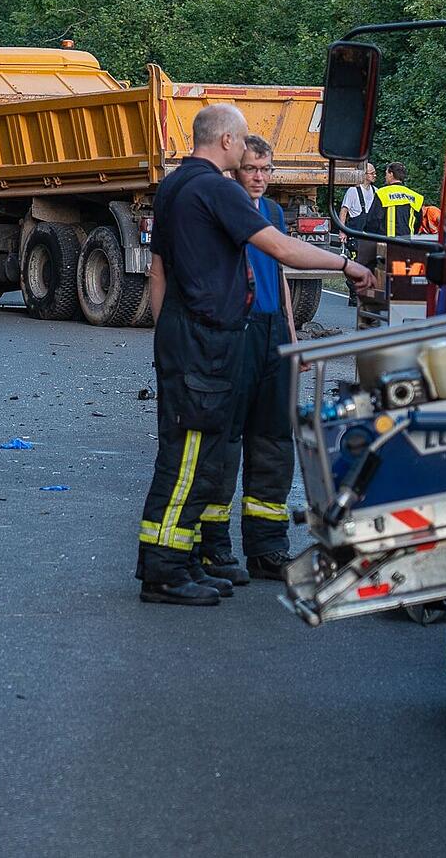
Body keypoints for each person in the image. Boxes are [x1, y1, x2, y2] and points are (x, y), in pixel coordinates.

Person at [138, 104, 378, 607]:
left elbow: (158, 274)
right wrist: (346, 266)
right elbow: (284, 251)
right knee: (188, 460)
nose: (248, 150)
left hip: (185, 335)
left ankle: (178, 564)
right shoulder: (217, 188)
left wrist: (169, 342)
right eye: (244, 141)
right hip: (207, 339)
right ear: (225, 140)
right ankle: (163, 571)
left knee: (195, 453)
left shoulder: (174, 186)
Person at [197, 135, 303, 584]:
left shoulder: (274, 214)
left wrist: (294, 339)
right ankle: (214, 547)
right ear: (233, 172)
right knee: (227, 440)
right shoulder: (223, 211)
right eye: (250, 169)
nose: (258, 178)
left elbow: (279, 277)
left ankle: (268, 548)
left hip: (273, 331)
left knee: (276, 439)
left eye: (265, 169)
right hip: (235, 331)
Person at [375, 162, 426, 240]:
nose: (385, 177)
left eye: (386, 174)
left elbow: (373, 220)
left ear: (391, 174)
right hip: (408, 242)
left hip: (387, 242)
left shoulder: (382, 193)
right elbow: (418, 222)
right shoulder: (415, 197)